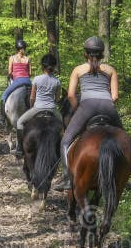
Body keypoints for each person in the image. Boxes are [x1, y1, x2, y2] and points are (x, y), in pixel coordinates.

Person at [53, 36, 122, 191]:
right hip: (108, 107)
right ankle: (125, 177)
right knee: (124, 140)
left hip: (87, 107)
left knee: (65, 141)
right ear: (102, 54)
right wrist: (106, 105)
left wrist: (78, 109)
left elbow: (71, 95)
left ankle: (67, 179)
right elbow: (115, 96)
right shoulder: (111, 70)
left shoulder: (78, 70)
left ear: (85, 53)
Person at [13, 53, 62, 158]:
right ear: (54, 67)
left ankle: (20, 148)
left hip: (37, 108)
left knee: (19, 122)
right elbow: (57, 99)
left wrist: (31, 107)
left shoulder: (36, 79)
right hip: (52, 109)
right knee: (64, 127)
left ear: (42, 66)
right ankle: (63, 151)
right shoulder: (57, 81)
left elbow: (32, 97)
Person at [0, 39, 32, 125]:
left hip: (18, 81)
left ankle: (2, 117)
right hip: (28, 81)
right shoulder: (28, 59)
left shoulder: (12, 58)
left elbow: (10, 72)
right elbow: (30, 73)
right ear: (23, 48)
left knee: (4, 96)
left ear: (17, 49)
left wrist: (13, 76)